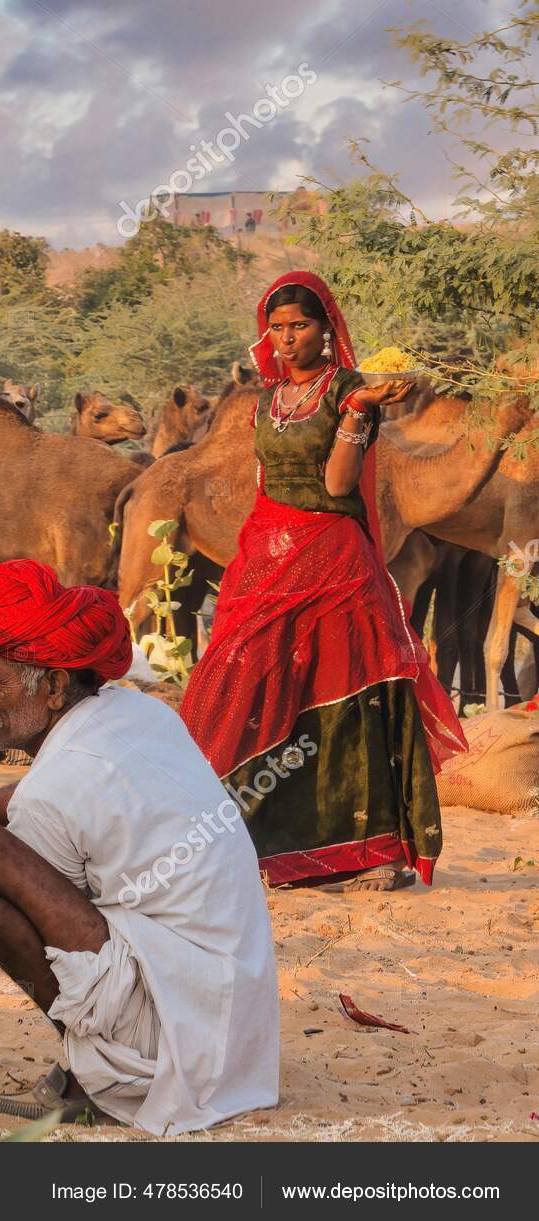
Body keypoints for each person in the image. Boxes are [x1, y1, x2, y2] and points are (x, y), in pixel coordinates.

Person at [0, 560, 279, 1136]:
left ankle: (105, 1075)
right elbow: (58, 790)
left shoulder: (56, 789)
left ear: (56, 685)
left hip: (175, 1048)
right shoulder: (136, 713)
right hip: (236, 1031)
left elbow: (19, 937)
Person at [179, 272, 465, 892]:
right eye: (276, 328)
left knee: (346, 691)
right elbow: (265, 482)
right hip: (266, 555)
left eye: (299, 326)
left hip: (332, 559)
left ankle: (374, 852)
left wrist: (359, 411)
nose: (286, 339)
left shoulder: (348, 391)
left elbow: (338, 485)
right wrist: (252, 554)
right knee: (245, 680)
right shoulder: (264, 401)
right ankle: (249, 840)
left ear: (325, 330)